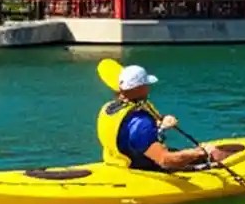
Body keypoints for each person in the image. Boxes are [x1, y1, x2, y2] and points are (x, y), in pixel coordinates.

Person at [96, 64, 229, 172]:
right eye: (146, 85)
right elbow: (165, 160)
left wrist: (162, 123)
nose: (149, 88)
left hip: (117, 163)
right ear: (140, 88)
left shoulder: (109, 108)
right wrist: (200, 153)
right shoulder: (141, 123)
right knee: (215, 154)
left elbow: (127, 133)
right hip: (144, 169)